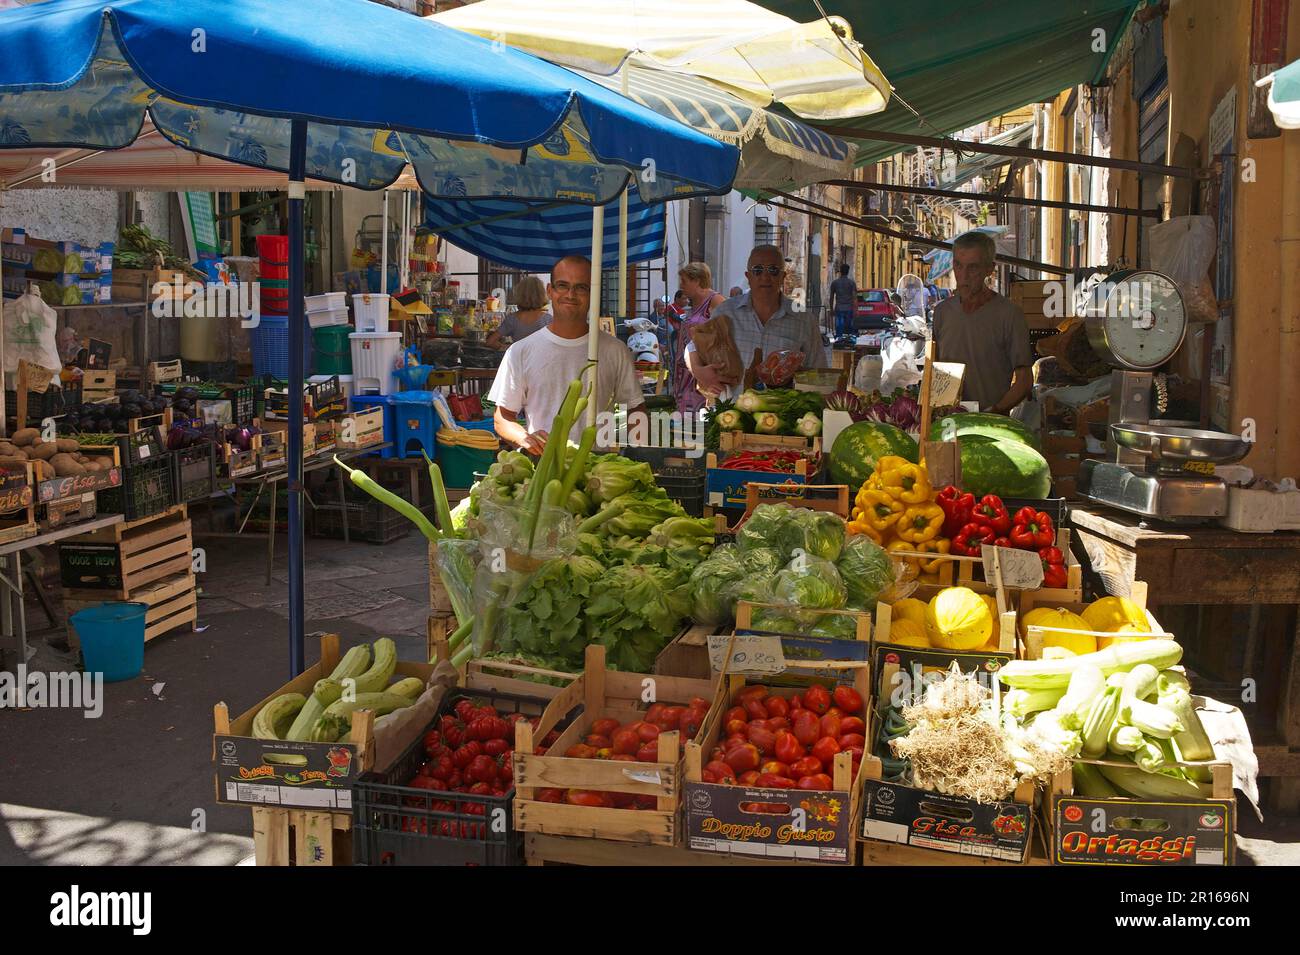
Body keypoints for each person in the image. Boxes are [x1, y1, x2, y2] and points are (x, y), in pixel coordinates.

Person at [489, 255, 645, 454]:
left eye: (581, 287)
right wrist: (524, 438)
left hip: (598, 473)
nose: (570, 294)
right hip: (542, 469)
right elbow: (502, 418)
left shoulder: (614, 350)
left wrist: (637, 458)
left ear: (594, 293)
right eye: (562, 285)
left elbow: (636, 410)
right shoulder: (520, 351)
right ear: (549, 291)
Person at [688, 245, 828, 401]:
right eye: (758, 270)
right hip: (730, 415)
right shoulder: (725, 312)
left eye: (773, 270)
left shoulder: (804, 320)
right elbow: (693, 346)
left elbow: (819, 373)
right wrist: (699, 370)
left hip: (783, 416)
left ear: (783, 276)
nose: (765, 277)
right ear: (748, 276)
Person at [932, 230, 1033, 415]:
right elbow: (938, 372)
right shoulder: (942, 313)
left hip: (991, 425)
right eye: (958, 265)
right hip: (947, 424)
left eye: (973, 268)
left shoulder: (1009, 315)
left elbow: (1024, 381)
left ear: (989, 269)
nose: (963, 276)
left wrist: (994, 412)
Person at [671, 262, 728, 416]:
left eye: (684, 281)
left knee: (703, 420)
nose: (681, 285)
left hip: (704, 372)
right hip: (687, 371)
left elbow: (727, 335)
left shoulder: (715, 300)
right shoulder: (693, 303)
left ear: (696, 280)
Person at [486, 276, 550, 350]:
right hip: (540, 360)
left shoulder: (512, 319)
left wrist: (507, 348)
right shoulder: (547, 320)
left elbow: (490, 342)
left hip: (518, 360)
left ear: (519, 293)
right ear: (541, 294)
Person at [829, 264, 857, 337]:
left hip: (839, 308)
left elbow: (831, 297)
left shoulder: (835, 283)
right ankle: (849, 341)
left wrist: (831, 309)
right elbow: (854, 298)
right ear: (848, 272)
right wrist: (855, 310)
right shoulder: (851, 283)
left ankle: (839, 340)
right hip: (849, 308)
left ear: (840, 272)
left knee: (839, 327)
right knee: (849, 328)